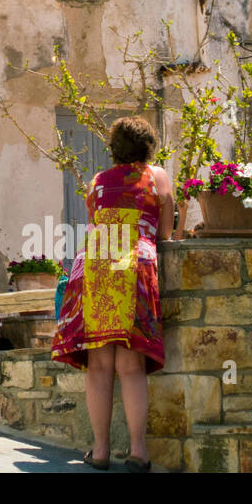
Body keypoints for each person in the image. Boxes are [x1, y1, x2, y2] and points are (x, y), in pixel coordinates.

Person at [52, 115, 174, 472]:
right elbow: (165, 233)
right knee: (131, 366)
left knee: (99, 367)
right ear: (148, 146)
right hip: (134, 267)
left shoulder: (98, 182)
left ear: (114, 149)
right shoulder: (158, 177)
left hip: (97, 265)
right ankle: (139, 452)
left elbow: (96, 225)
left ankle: (101, 450)